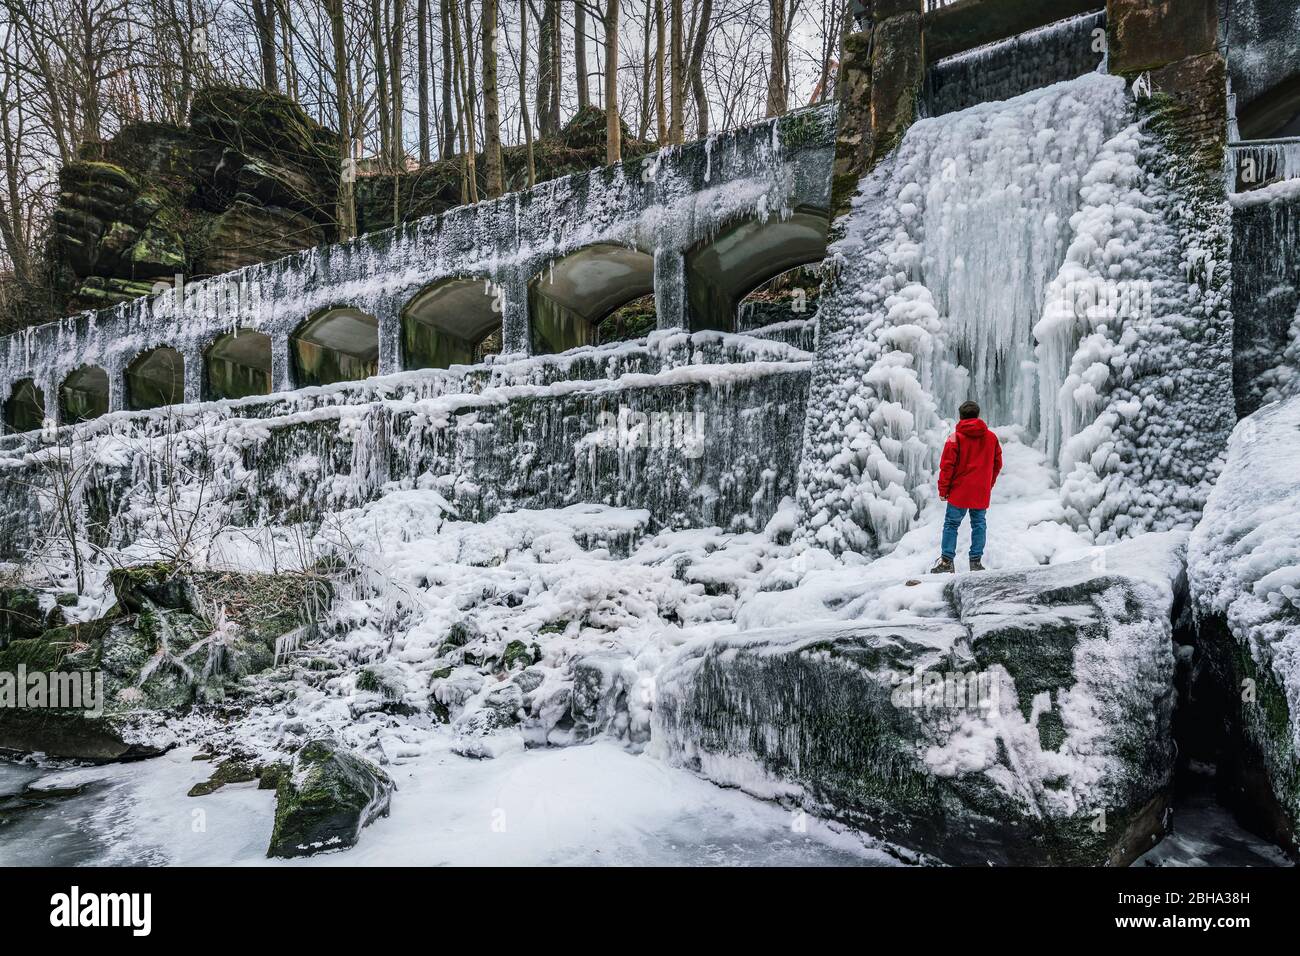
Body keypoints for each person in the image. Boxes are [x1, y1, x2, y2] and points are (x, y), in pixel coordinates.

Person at [931, 400, 1002, 574]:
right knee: (979, 524)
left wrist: (943, 490)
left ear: (960, 417)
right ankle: (976, 562)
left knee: (951, 524)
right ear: (978, 416)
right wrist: (988, 484)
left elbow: (947, 466)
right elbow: (997, 463)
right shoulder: (991, 437)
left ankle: (947, 562)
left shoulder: (955, 437)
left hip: (959, 491)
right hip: (980, 491)